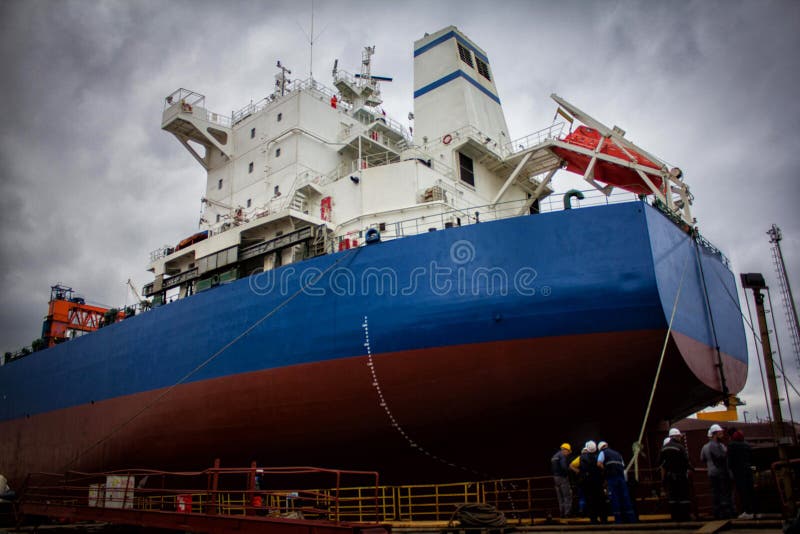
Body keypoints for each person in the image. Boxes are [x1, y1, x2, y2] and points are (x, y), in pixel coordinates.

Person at [658, 427, 693, 521]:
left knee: (673, 497)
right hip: (680, 475)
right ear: (676, 436)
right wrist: (691, 468)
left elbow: (660, 462)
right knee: (683, 496)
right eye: (679, 436)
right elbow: (686, 461)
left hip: (669, 476)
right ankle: (685, 517)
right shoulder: (680, 447)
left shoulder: (664, 448)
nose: (680, 438)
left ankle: (675, 517)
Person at [700, 423, 734, 519]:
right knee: (724, 492)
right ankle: (725, 512)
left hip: (711, 472)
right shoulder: (718, 446)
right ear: (714, 434)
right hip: (720, 473)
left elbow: (702, 459)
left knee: (716, 493)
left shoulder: (705, 447)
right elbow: (722, 457)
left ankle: (718, 512)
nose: (722, 434)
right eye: (720, 432)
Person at [597, 441, 636, 523]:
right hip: (621, 478)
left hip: (612, 478)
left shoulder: (602, 453)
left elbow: (599, 463)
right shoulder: (618, 454)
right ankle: (631, 519)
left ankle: (618, 520)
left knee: (615, 498)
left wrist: (605, 470)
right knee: (625, 497)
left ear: (600, 448)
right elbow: (623, 465)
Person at [576, 440, 606, 524]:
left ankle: (593, 519)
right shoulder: (598, 456)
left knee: (591, 502)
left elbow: (582, 468)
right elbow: (601, 469)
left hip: (588, 483)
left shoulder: (583, 457)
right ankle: (603, 519)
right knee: (600, 501)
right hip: (598, 482)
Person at [727, 430, 755, 519]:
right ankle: (753, 511)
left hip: (738, 472)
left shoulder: (732, 445)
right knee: (750, 490)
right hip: (748, 470)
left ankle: (746, 511)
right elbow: (751, 458)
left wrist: (730, 471)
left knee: (742, 492)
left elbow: (730, 460)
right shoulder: (747, 445)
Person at [551, 442, 573, 518]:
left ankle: (562, 513)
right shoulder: (562, 456)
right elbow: (563, 467)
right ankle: (567, 513)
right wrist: (569, 470)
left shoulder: (554, 456)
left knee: (560, 497)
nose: (568, 454)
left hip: (555, 478)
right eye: (568, 452)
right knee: (567, 496)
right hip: (562, 478)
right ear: (565, 450)